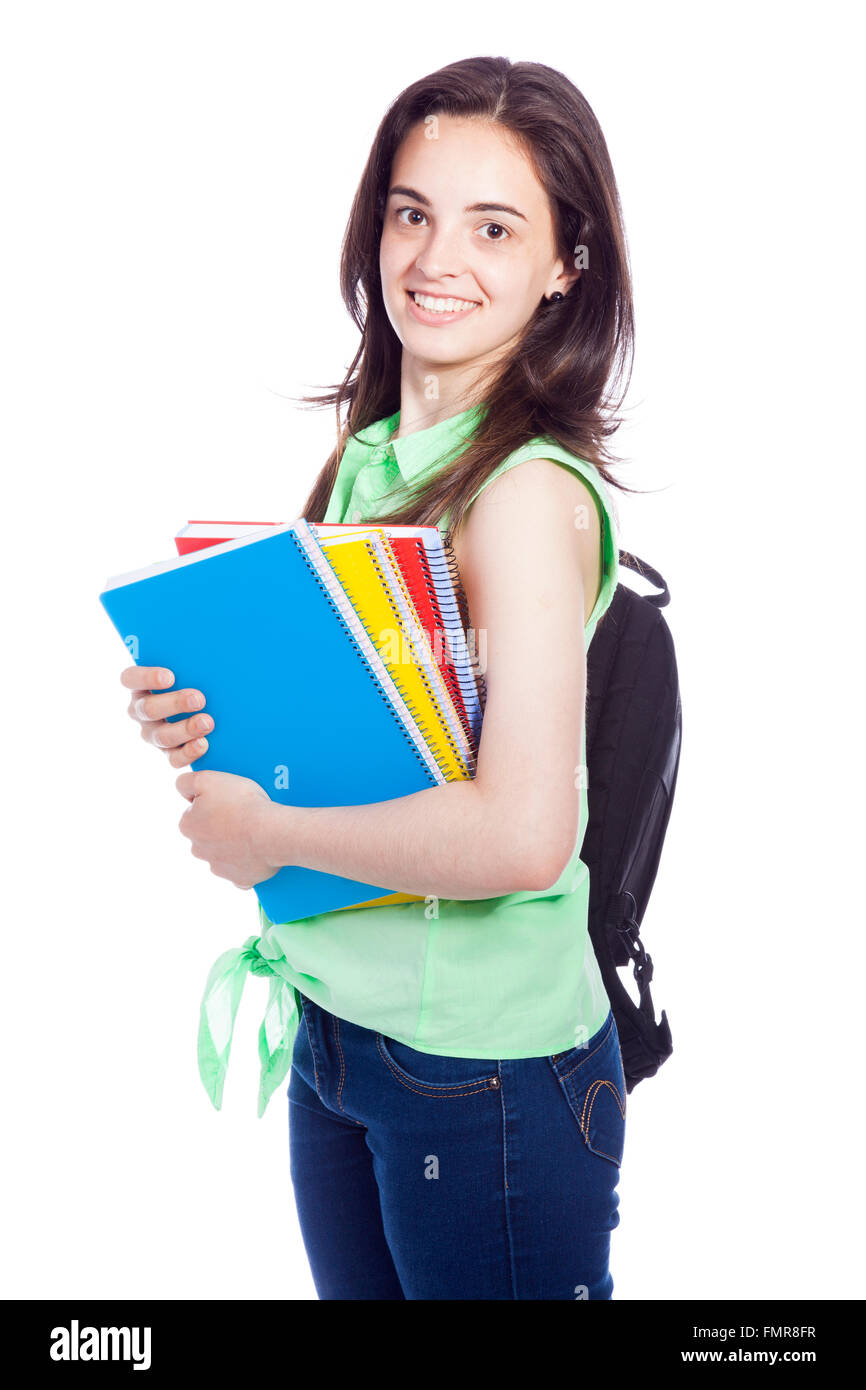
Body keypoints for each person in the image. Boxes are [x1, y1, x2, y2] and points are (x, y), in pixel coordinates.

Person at [120, 55, 639, 1300]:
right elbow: (369, 731)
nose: (433, 259)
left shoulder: (519, 498)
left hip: (482, 1073)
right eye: (411, 213)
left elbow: (523, 835)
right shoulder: (372, 465)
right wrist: (202, 710)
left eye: (493, 226)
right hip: (343, 1035)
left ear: (565, 264)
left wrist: (269, 832)